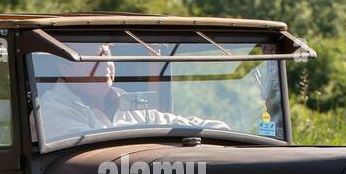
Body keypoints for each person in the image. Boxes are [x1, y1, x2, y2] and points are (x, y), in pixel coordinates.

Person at [37, 45, 228, 140]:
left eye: (106, 55)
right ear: (64, 68)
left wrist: (223, 133)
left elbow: (171, 123)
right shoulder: (49, 110)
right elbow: (89, 156)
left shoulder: (129, 102)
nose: (104, 64)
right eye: (92, 57)